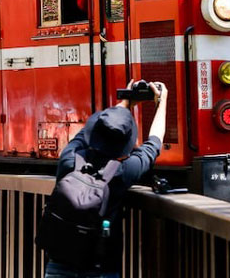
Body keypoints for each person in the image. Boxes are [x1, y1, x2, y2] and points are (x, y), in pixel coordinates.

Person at [42, 80, 168, 278]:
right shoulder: (122, 172)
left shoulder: (69, 159)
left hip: (59, 265)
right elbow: (154, 142)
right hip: (101, 269)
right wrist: (162, 102)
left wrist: (125, 102)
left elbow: (84, 134)